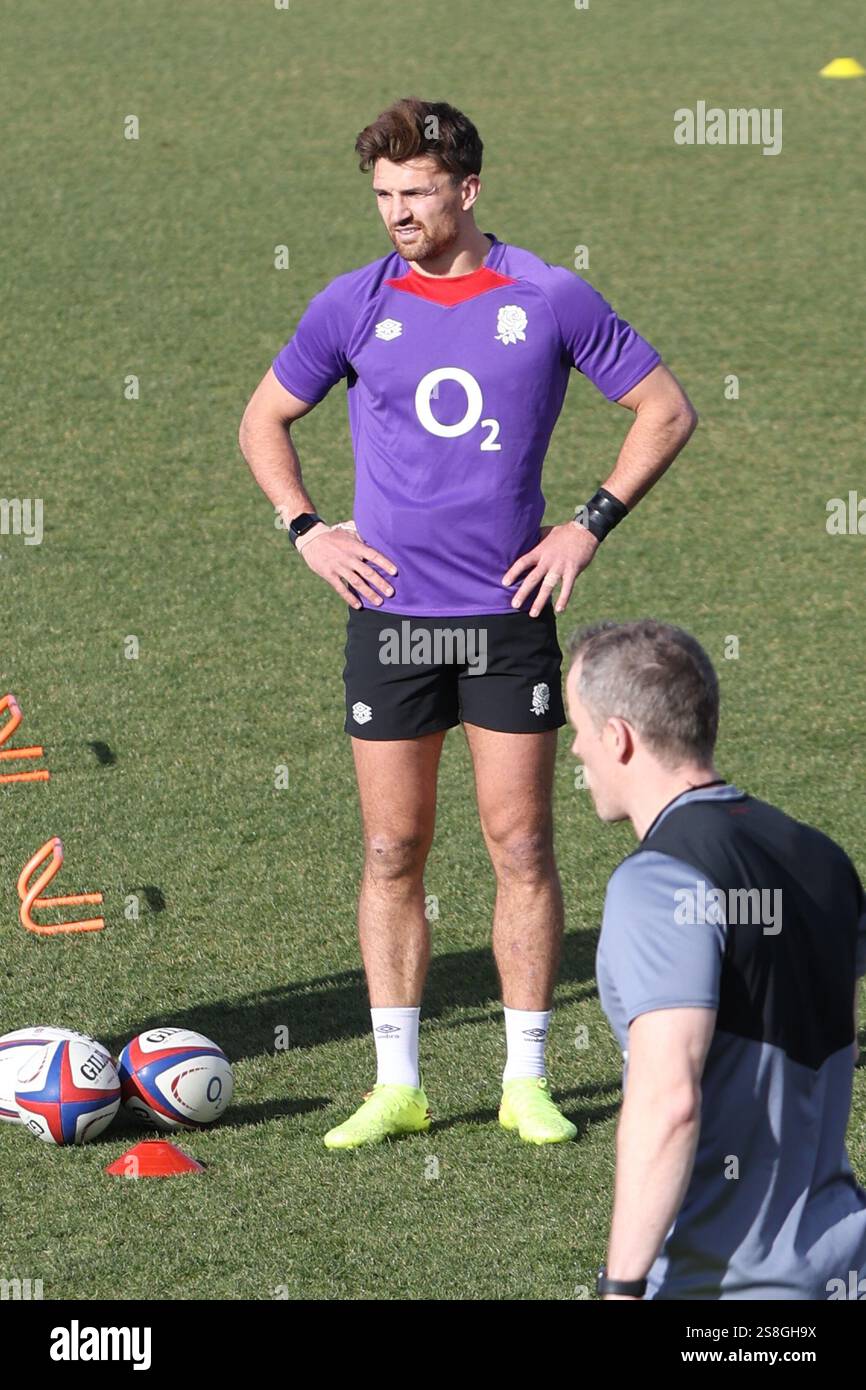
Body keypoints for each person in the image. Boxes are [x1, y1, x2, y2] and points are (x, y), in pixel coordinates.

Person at [238, 98, 697, 1149]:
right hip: (388, 618)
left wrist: (585, 527)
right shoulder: (352, 303)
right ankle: (396, 1081)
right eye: (383, 196)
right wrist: (305, 527)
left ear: (466, 190)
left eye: (415, 193)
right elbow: (262, 417)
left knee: (521, 842)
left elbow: (664, 408)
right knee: (392, 844)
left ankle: (523, 1078)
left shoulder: (546, 294)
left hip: (505, 617)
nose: (397, 213)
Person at [565, 618, 866, 1299]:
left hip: (728, 1287)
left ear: (618, 738)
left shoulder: (659, 882)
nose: (575, 748)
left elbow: (669, 1101)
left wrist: (620, 1286)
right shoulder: (819, 856)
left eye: (579, 728)